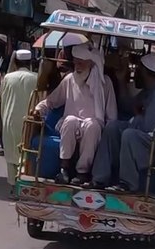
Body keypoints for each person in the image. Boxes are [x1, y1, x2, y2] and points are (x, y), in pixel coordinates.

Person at [34, 43, 116, 186]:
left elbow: (111, 115)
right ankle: (64, 170)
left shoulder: (105, 83)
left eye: (81, 63)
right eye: (75, 62)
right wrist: (38, 110)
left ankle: (82, 173)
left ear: (90, 63)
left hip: (93, 126)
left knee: (92, 125)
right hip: (70, 123)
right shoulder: (69, 79)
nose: (77, 66)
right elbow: (51, 102)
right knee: (70, 120)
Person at [93, 53, 155, 191]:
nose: (135, 73)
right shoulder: (148, 91)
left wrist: (137, 116)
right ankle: (99, 178)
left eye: (137, 70)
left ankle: (128, 184)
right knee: (112, 127)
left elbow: (146, 126)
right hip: (143, 137)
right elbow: (128, 106)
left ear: (144, 72)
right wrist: (121, 81)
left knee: (129, 134)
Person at [0, 49, 38, 187]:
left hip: (9, 119)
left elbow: (2, 100)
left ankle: (12, 185)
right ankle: (23, 183)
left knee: (11, 153)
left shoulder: (8, 78)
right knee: (25, 152)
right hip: (29, 121)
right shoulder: (36, 78)